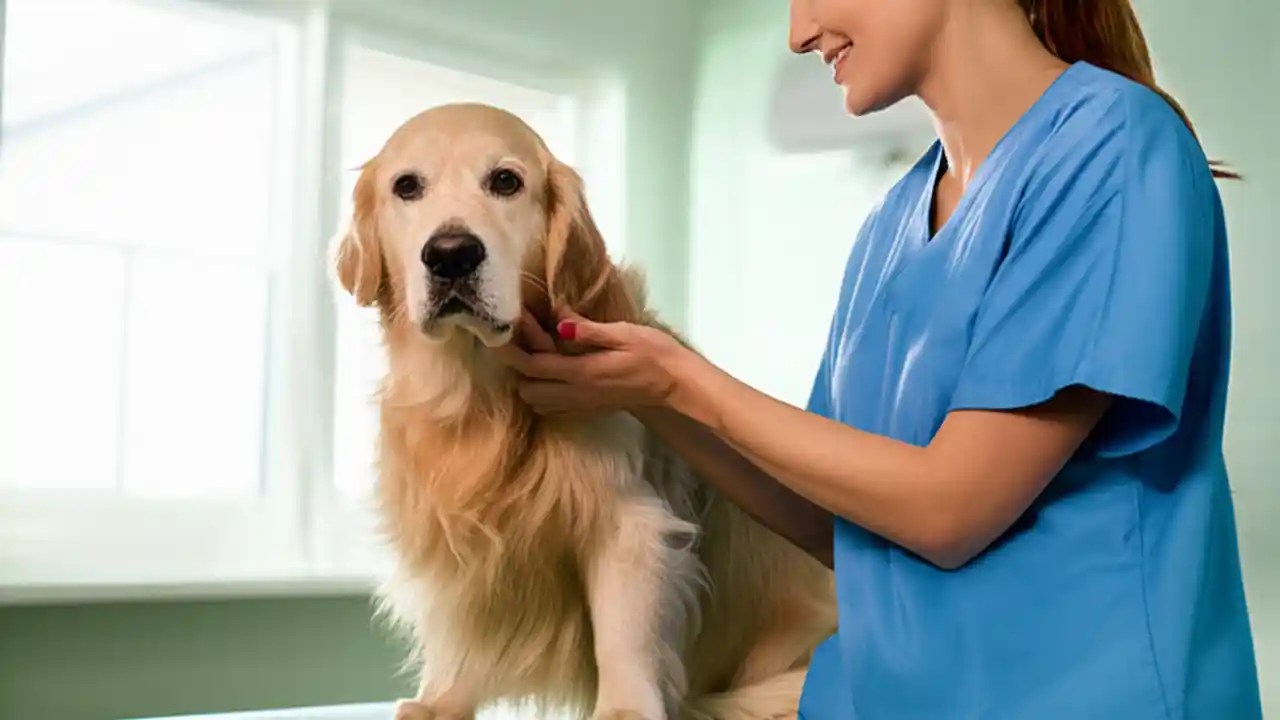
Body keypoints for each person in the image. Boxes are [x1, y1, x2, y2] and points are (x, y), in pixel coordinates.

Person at [498, 0, 1263, 717]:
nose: (799, 32)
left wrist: (679, 380)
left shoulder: (1113, 146)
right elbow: (833, 522)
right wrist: (640, 392)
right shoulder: (891, 226)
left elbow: (953, 508)